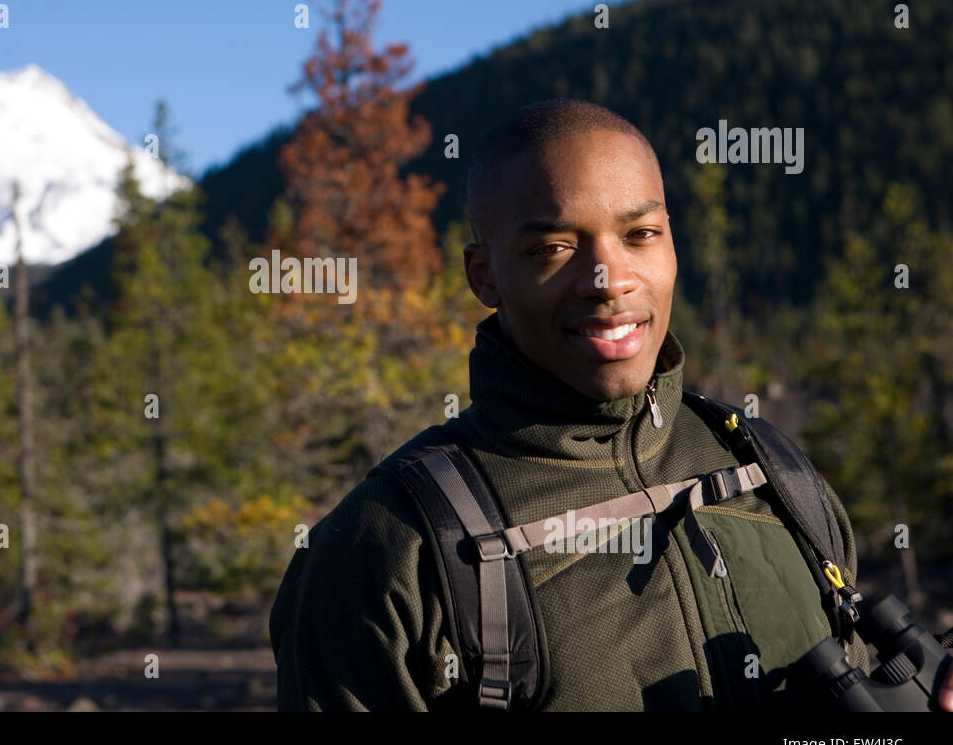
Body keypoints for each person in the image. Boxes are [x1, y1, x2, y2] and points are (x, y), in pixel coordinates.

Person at [269, 98, 953, 711]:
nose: (608, 279)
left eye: (640, 235)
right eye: (553, 247)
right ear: (485, 276)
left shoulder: (767, 470)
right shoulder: (392, 546)